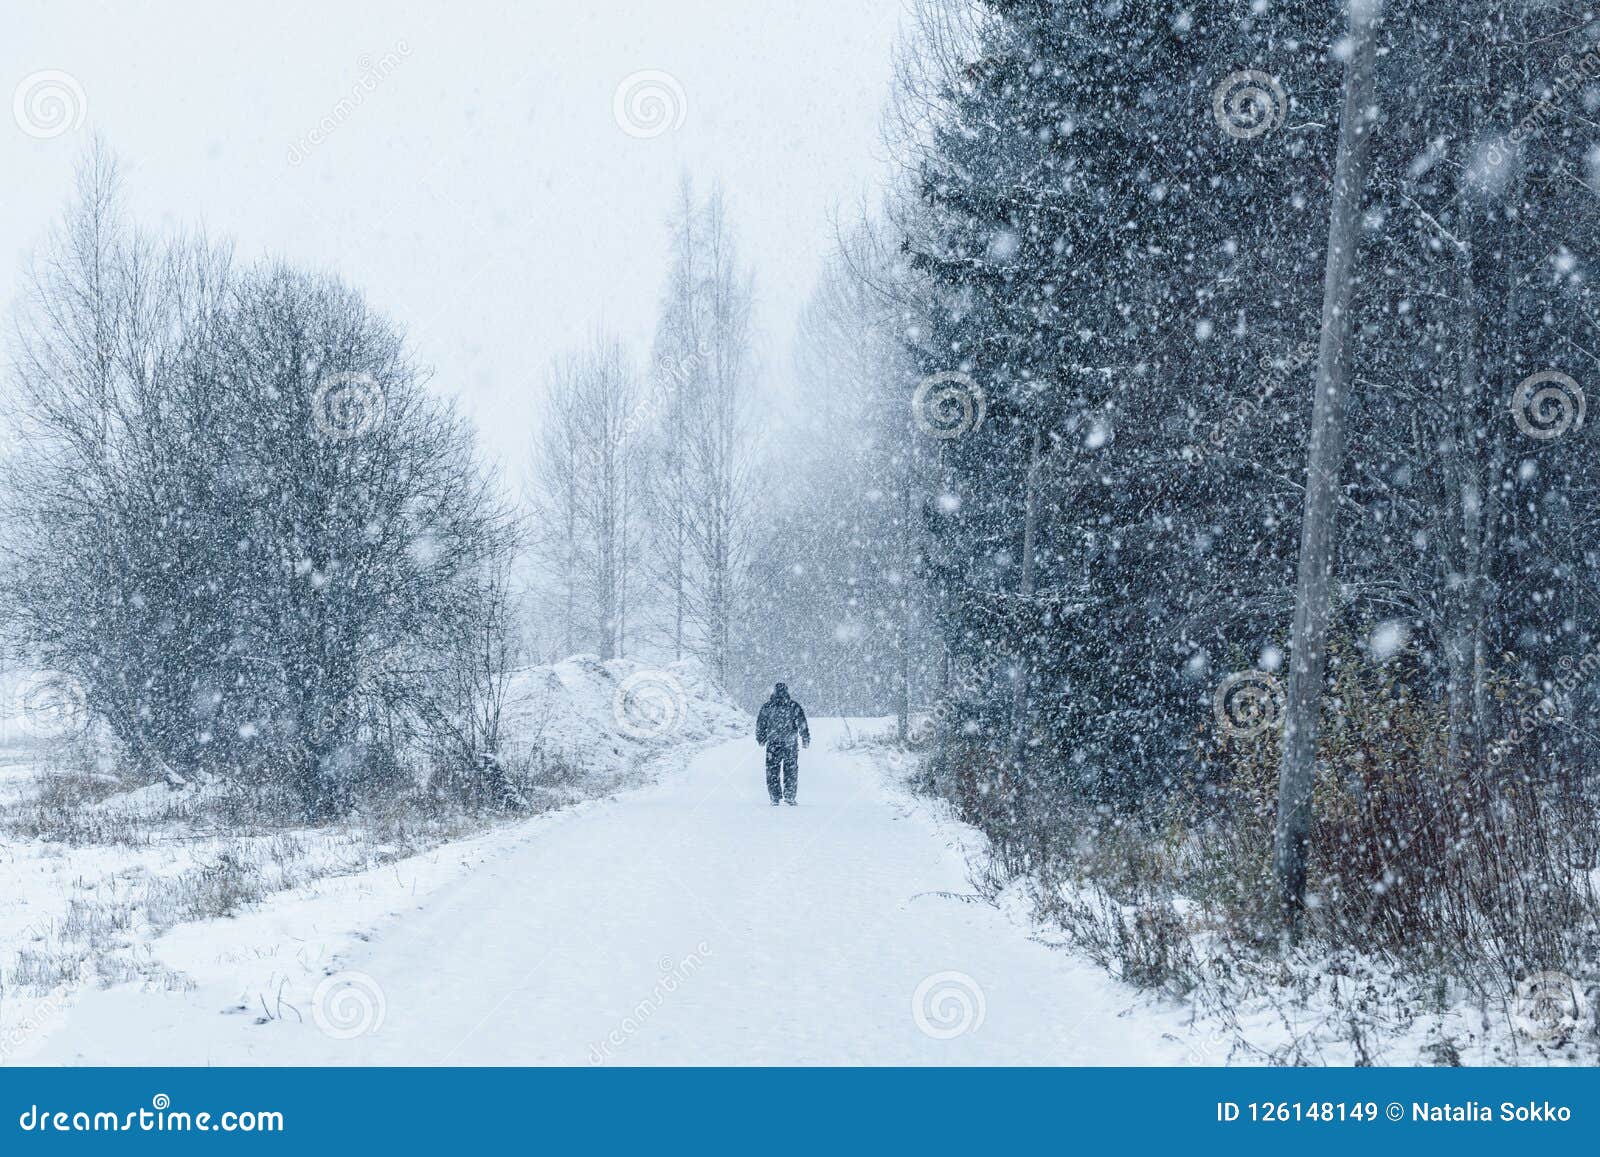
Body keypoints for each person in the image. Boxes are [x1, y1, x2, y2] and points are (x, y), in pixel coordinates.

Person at [755, 682, 809, 806]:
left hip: (773, 743)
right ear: (787, 692)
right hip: (790, 743)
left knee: (772, 770)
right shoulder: (793, 706)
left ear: (774, 692)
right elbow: (802, 723)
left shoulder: (767, 706)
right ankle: (790, 796)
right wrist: (805, 738)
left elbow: (761, 724)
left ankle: (774, 797)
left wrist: (761, 738)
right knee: (791, 770)